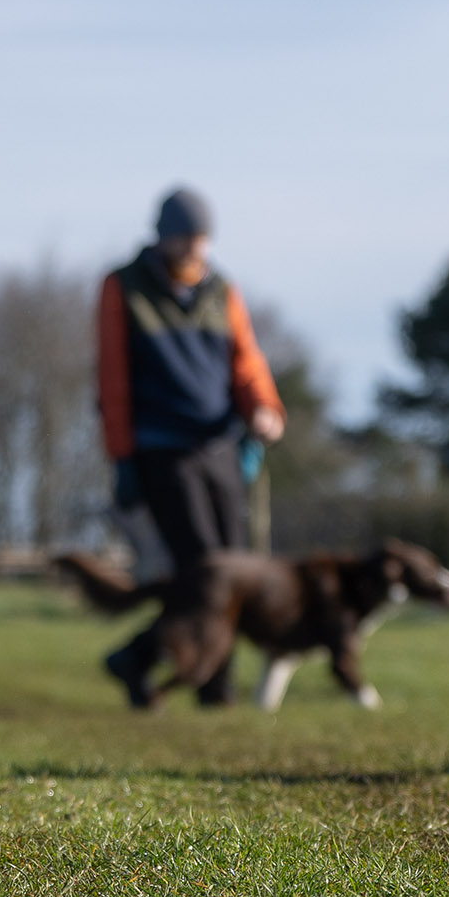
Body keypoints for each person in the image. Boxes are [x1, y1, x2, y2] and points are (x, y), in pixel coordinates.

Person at [94, 187, 284, 707]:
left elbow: (246, 362)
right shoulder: (123, 287)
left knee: (232, 569)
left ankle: (137, 659)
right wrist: (122, 455)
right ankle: (213, 690)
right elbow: (112, 378)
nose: (196, 251)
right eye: (186, 238)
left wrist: (263, 408)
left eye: (202, 239)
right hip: (160, 449)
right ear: (163, 238)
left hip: (218, 444)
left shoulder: (222, 289)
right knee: (204, 567)